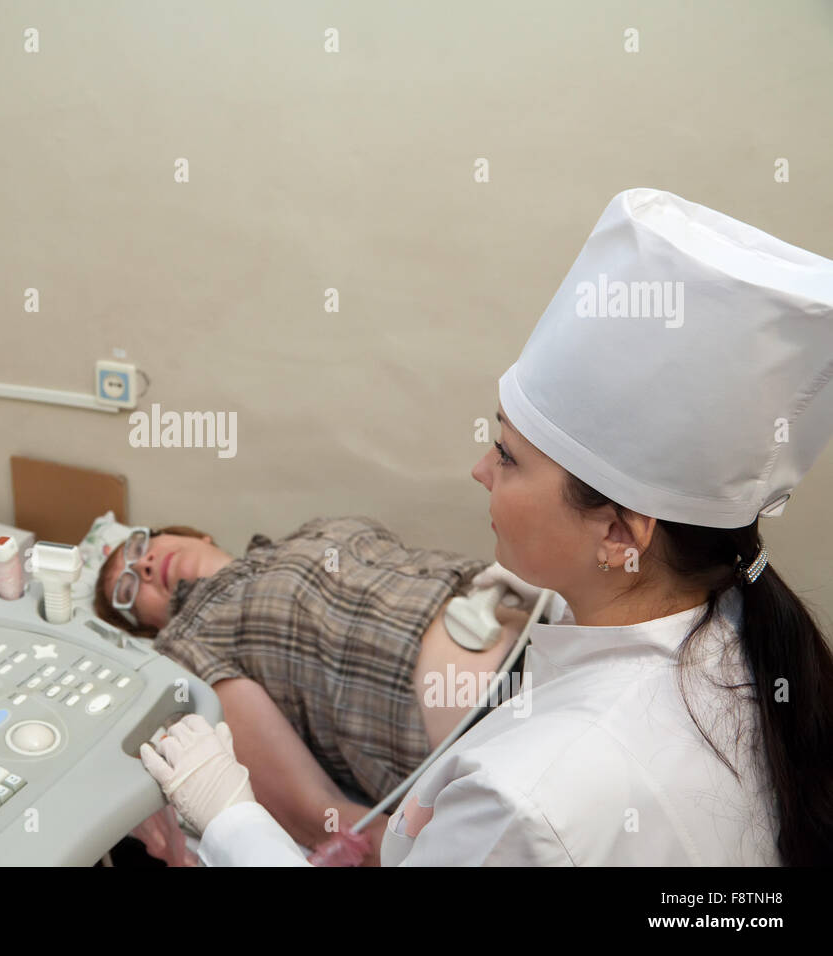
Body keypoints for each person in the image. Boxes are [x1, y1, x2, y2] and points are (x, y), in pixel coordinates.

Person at [140, 187, 833, 866]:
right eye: (121, 580)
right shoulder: (742, 630)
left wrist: (230, 817)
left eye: (506, 455)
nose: (479, 470)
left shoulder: (525, 801)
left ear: (621, 536)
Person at [93, 517, 538, 864]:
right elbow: (317, 814)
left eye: (140, 546)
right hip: (503, 742)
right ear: (149, 629)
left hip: (558, 631)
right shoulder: (187, 649)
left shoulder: (312, 533)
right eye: (128, 590)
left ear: (196, 535)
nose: (144, 565)